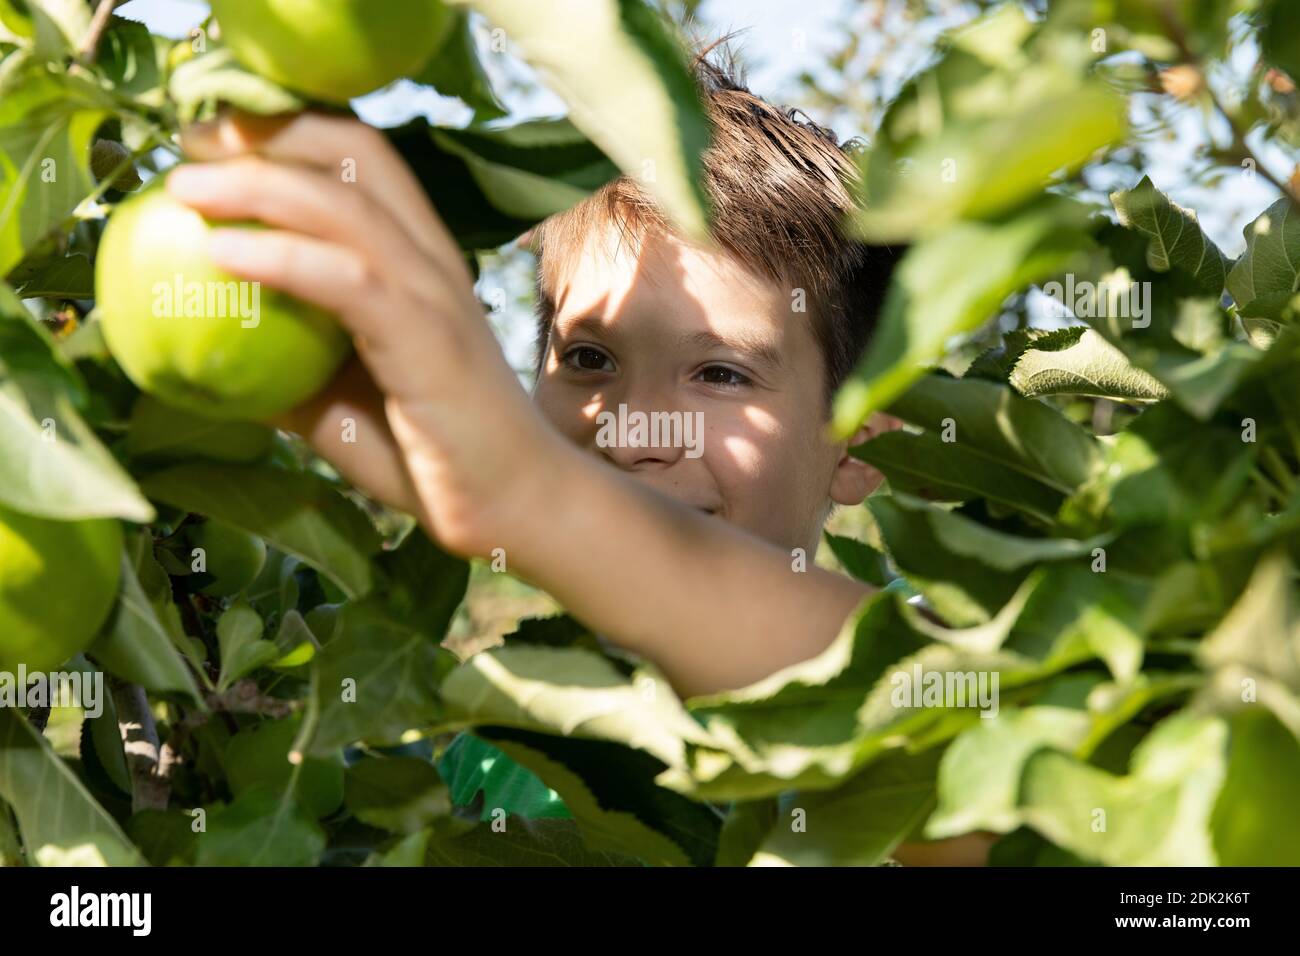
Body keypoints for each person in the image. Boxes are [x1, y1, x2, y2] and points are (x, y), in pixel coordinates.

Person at [162, 57, 990, 865]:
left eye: (721, 374)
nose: (632, 435)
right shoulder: (493, 747)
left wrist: (533, 496)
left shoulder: (964, 678)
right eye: (589, 360)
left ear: (861, 442)